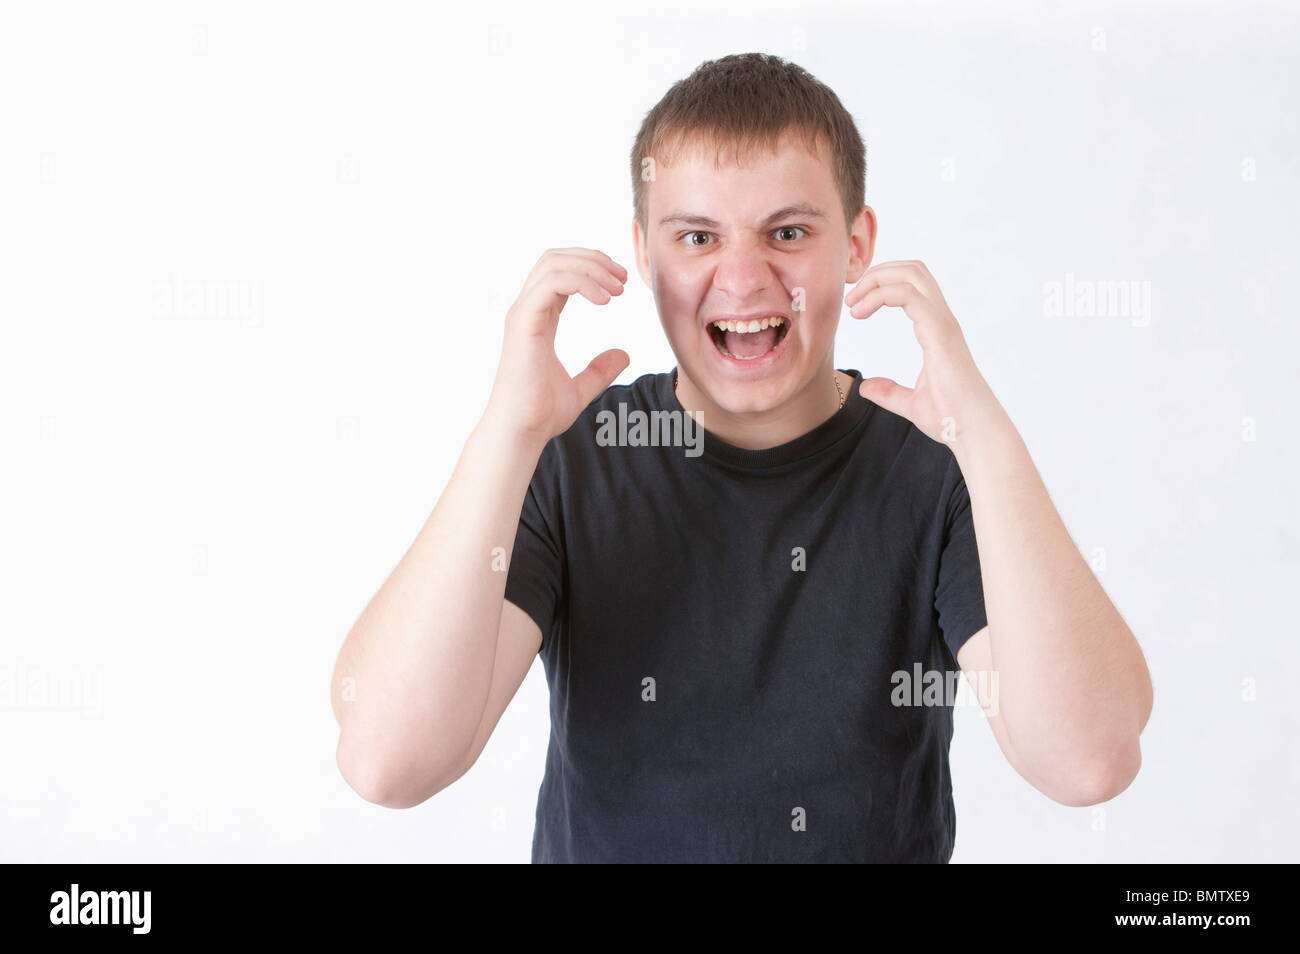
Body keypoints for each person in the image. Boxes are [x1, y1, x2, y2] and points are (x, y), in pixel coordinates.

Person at [330, 52, 1154, 862]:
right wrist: (502, 440)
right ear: (645, 253)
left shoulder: (938, 470)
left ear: (858, 245)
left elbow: (1087, 761)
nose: (744, 277)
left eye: (788, 232)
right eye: (696, 236)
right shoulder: (570, 459)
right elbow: (387, 762)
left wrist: (988, 443)